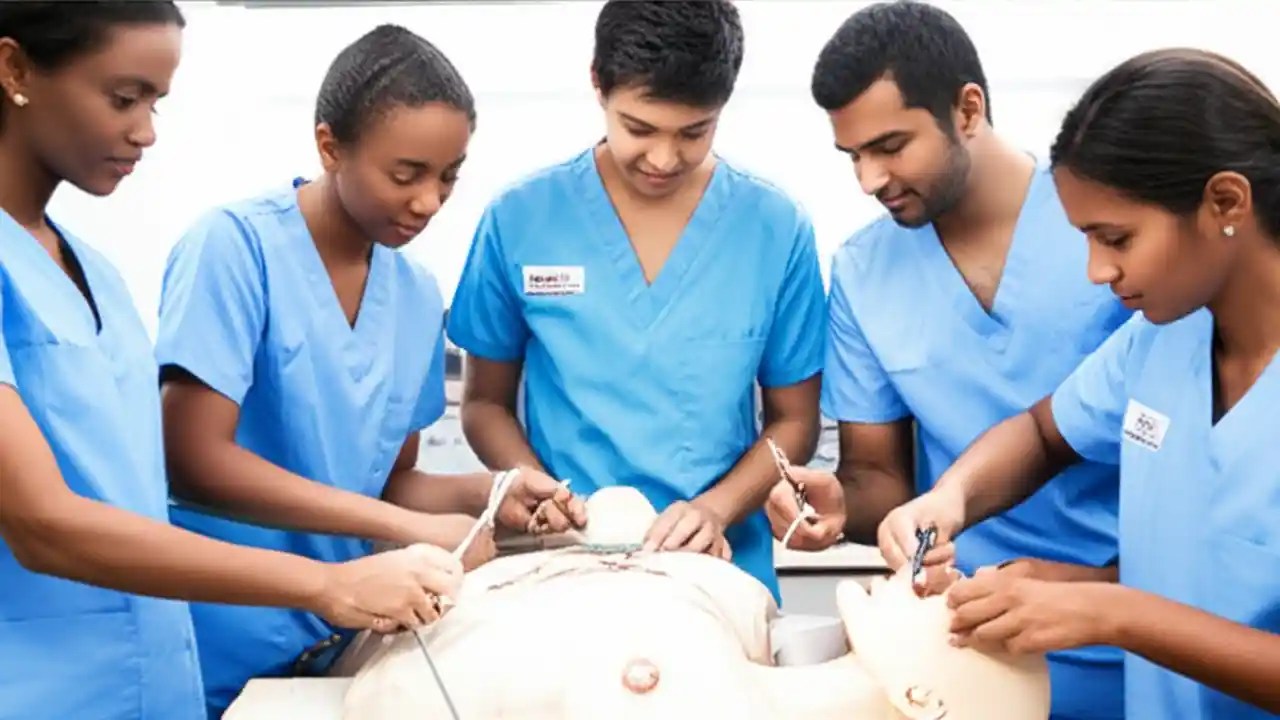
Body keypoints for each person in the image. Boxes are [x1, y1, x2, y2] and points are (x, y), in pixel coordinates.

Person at [0, 5, 463, 720]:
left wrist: (487, 493)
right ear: (14, 69)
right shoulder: (232, 247)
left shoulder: (94, 275)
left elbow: (139, 499)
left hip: (160, 682)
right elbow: (43, 522)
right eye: (124, 98)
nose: (146, 131)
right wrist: (321, 583)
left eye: (155, 102)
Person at [153, 24, 586, 717]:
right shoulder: (235, 249)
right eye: (405, 174)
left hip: (344, 642)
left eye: (448, 175)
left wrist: (489, 491)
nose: (429, 202)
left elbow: (394, 480)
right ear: (330, 147)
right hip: (211, 638)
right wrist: (397, 524)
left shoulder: (413, 294)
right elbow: (193, 461)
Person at [879, 47, 1280, 720]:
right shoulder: (1162, 336)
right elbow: (1042, 434)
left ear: (1224, 202)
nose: (1097, 271)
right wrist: (951, 500)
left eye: (1116, 239)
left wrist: (1110, 611)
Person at [763, 2, 1129, 717]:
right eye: (853, 157)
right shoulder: (864, 272)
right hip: (964, 640)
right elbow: (879, 481)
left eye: (891, 145)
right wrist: (841, 510)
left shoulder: (1112, 230)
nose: (870, 178)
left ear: (968, 109)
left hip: (1135, 624)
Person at [447, 0, 826, 602]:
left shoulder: (774, 229)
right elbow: (485, 405)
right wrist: (538, 489)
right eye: (639, 128)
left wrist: (716, 510)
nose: (663, 159)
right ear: (597, 84)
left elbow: (795, 419)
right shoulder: (520, 219)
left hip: (717, 572)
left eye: (693, 132)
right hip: (557, 568)